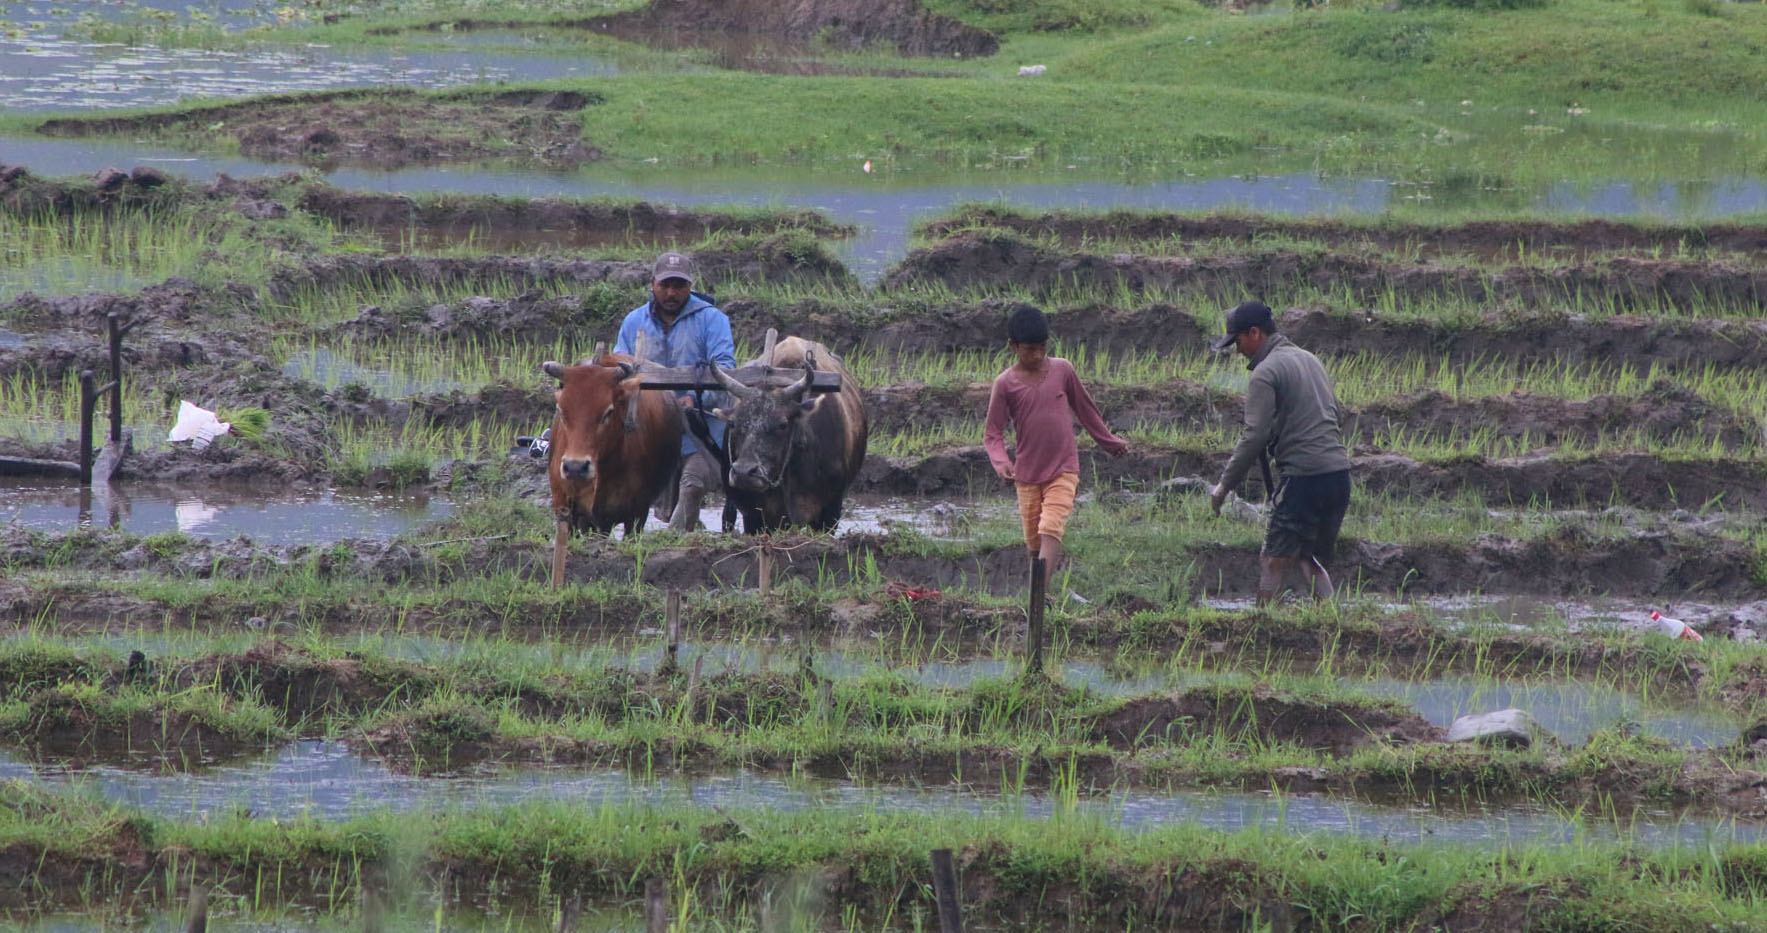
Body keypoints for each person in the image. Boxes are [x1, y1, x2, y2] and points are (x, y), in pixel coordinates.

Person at [1208, 300, 1352, 605]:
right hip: (1339, 474)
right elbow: (1337, 414)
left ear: (1255, 333)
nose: (1238, 351)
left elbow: (1254, 436)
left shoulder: (1265, 372)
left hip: (1304, 478)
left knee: (1273, 558)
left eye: (1238, 342)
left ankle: (1262, 623)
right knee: (1307, 555)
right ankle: (1334, 619)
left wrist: (1223, 487)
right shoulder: (1310, 360)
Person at [984, 304, 1128, 583]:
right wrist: (1001, 463)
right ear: (1013, 346)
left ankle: (1038, 595)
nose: (1037, 355)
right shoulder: (1005, 384)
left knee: (1051, 527)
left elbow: (1086, 410)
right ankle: (1039, 595)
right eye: (1030, 349)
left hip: (1063, 468)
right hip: (1027, 475)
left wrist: (1108, 441)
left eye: (1042, 347)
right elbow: (993, 433)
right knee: (1034, 543)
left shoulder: (1062, 370)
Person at [614, 252, 737, 531]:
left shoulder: (712, 320)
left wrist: (694, 398)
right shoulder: (634, 322)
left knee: (692, 485)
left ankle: (671, 545)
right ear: (653, 284)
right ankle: (686, 534)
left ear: (690, 286)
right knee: (659, 505)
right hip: (650, 431)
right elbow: (619, 369)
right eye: (665, 285)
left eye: (679, 286)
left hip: (701, 431)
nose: (671, 293)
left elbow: (725, 370)